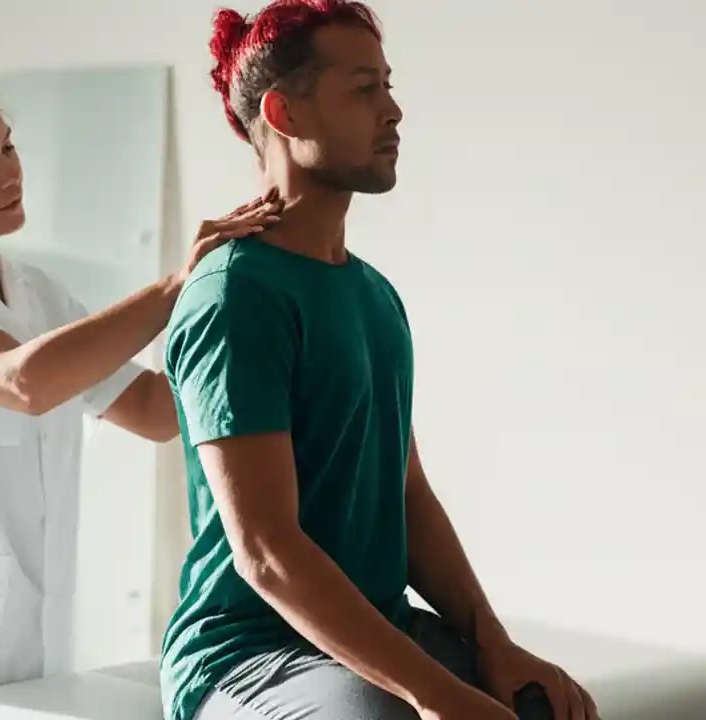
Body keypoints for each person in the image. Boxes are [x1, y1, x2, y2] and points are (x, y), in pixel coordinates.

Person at [159, 3, 600, 720]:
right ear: (285, 113)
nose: (393, 111)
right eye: (364, 89)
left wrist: (494, 644)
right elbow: (266, 552)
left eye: (389, 87)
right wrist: (432, 693)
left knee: (552, 706)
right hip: (247, 654)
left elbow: (408, 492)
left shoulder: (373, 294)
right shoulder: (235, 295)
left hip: (377, 627)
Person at [0, 58, 282, 710]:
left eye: (8, 147)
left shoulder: (39, 295)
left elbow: (155, 410)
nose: (10, 173)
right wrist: (175, 285)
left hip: (30, 630)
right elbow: (24, 383)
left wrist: (234, 304)